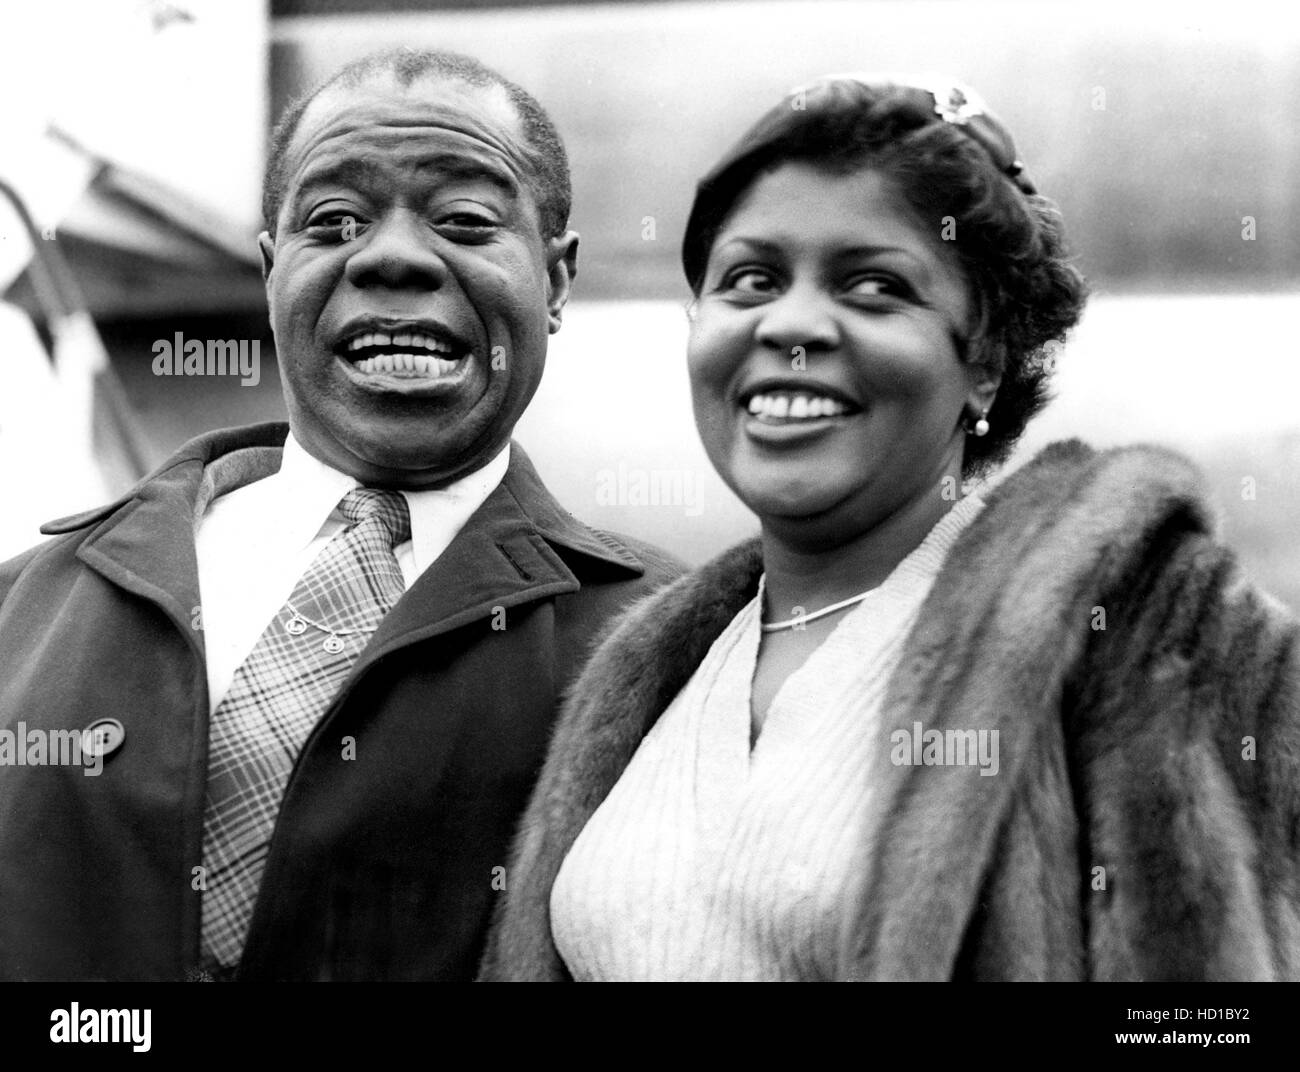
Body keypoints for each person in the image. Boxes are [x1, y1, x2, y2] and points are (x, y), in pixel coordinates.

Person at [479, 75, 1300, 981]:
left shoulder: (1155, 633)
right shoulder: (647, 672)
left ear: (983, 361)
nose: (790, 325)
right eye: (749, 280)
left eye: (873, 287)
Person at [0, 48, 681, 981]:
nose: (394, 255)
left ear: (557, 282)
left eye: (466, 219)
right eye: (334, 220)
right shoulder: (24, 610)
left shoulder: (673, 647)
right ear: (273, 272)